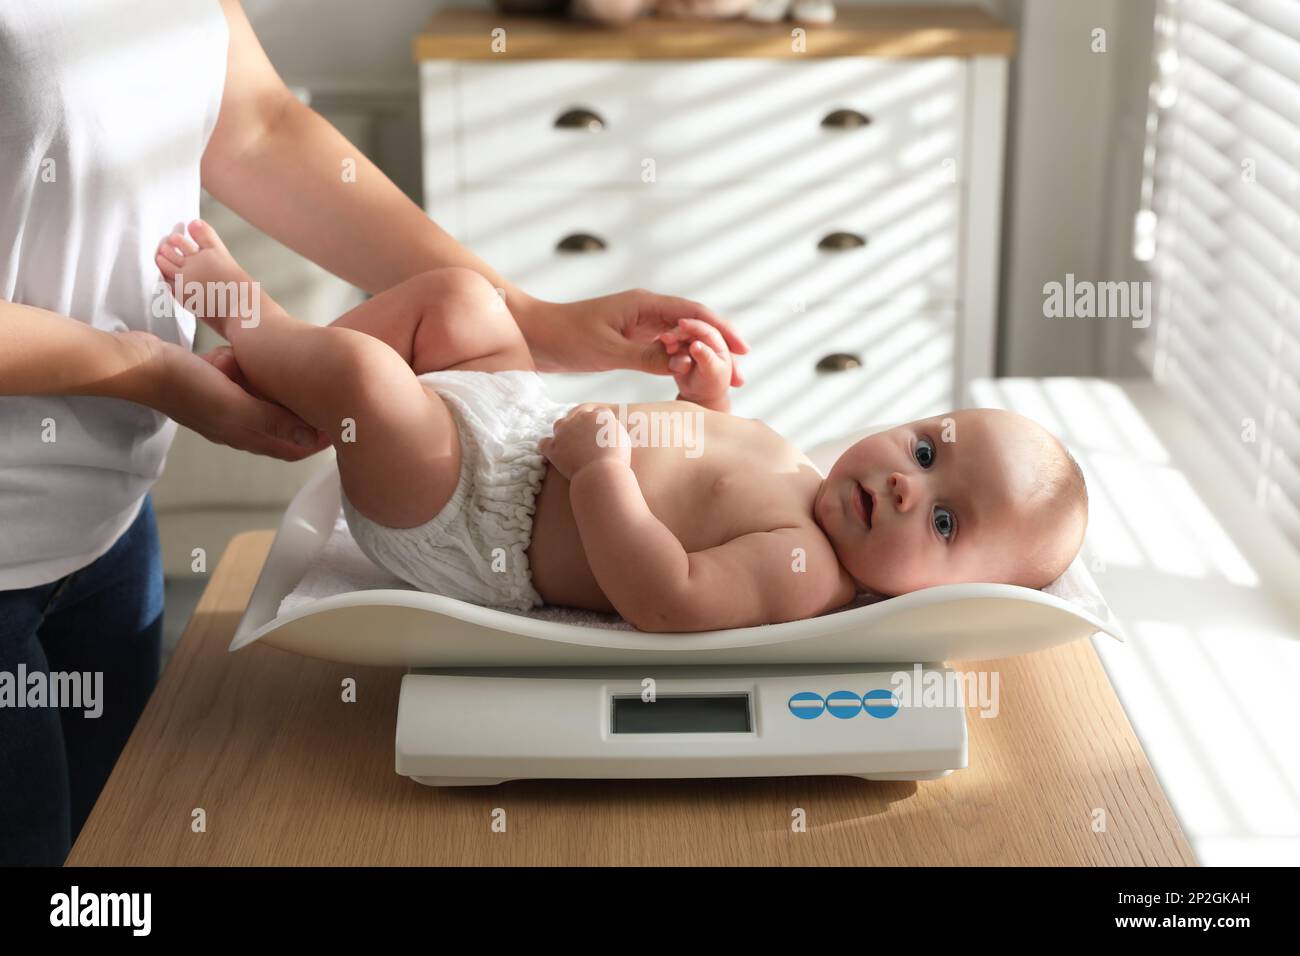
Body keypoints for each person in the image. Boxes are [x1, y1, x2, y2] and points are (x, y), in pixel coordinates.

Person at [0, 0, 745, 865]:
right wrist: (150, 370)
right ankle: (264, 327)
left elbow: (258, 127)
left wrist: (529, 320)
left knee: (110, 861)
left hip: (106, 519)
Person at [153, 218, 1088, 633]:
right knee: (462, 301)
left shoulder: (801, 576)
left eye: (944, 520)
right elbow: (697, 480)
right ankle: (295, 394)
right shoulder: (806, 483)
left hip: (471, 521)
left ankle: (256, 324)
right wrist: (703, 405)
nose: (905, 483)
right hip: (521, 432)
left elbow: (667, 591)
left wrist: (602, 475)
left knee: (367, 374)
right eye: (926, 451)